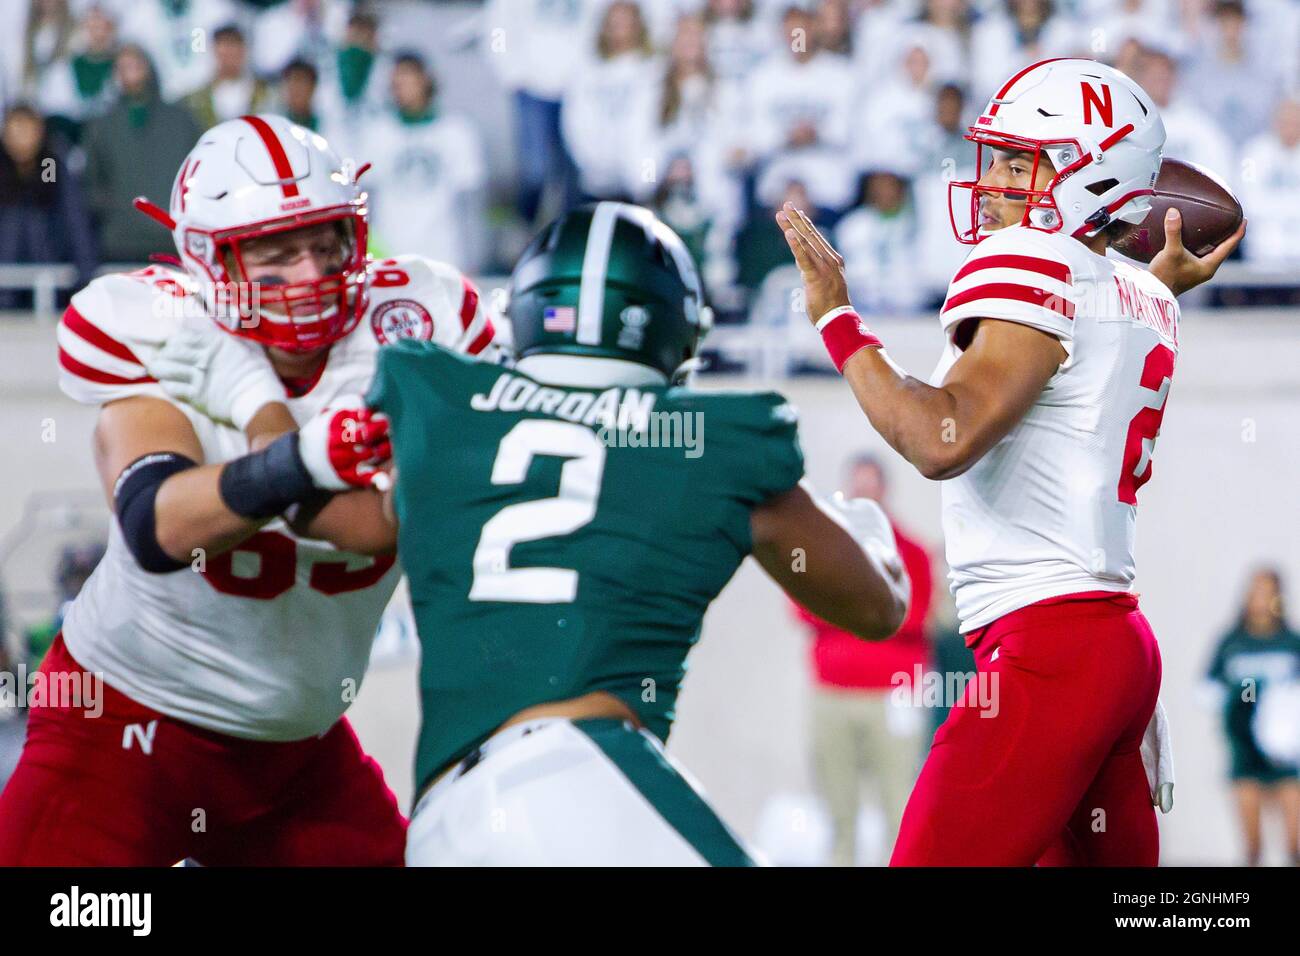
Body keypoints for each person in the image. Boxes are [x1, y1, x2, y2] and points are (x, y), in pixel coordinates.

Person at [778, 57, 1245, 866]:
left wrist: (838, 321)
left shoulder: (1037, 259)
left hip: (1049, 651)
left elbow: (942, 440)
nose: (991, 181)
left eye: (1017, 161)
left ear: (1090, 178)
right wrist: (1159, 281)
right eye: (994, 157)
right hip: (1115, 648)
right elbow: (1111, 314)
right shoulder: (1146, 298)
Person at [341, 201, 909, 865]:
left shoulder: (435, 396)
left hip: (443, 817)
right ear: (676, 332)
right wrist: (866, 521)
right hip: (580, 782)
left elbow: (339, 522)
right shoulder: (712, 441)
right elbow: (876, 608)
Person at [0, 113, 497, 866]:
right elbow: (157, 525)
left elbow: (391, 526)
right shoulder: (163, 330)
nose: (309, 275)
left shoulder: (420, 326)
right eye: (275, 253)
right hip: (123, 728)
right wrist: (299, 461)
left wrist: (291, 459)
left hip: (299, 751)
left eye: (326, 243)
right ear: (207, 260)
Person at [793, 453, 934, 866]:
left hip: (893, 699)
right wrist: (869, 608)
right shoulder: (822, 549)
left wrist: (841, 606)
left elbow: (913, 615)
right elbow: (804, 608)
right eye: (858, 487)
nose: (865, 495)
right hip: (832, 699)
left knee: (899, 808)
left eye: (871, 487)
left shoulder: (912, 552)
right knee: (839, 813)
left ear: (884, 492)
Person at [1206, 568, 1300, 866]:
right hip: (1244, 753)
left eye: (1268, 592)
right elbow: (1207, 687)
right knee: (1252, 848)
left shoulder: (1290, 643)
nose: (1261, 599)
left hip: (1286, 757)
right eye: (1256, 591)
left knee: (1295, 843)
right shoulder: (1231, 642)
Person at [362, 52, 486, 270]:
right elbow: (367, 198)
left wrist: (474, 259)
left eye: (408, 79)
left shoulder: (456, 131)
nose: (402, 88)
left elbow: (470, 203)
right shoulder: (377, 133)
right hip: (391, 258)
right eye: (397, 82)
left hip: (444, 255)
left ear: (426, 80)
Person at [81, 45, 199, 263]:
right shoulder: (100, 125)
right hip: (120, 243)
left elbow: (199, 174)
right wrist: (115, 211)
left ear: (150, 68)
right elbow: (92, 182)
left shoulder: (182, 120)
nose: (130, 73)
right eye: (122, 67)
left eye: (136, 65)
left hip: (174, 241)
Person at [0, 103, 97, 307]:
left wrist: (86, 273)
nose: (21, 138)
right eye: (15, 131)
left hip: (50, 276)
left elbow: (73, 218)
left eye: (27, 130)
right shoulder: (3, 167)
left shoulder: (49, 163)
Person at [183, 24, 273, 130]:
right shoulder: (196, 100)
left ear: (244, 50)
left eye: (234, 46)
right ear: (215, 51)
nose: (230, 54)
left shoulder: (265, 94)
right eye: (225, 47)